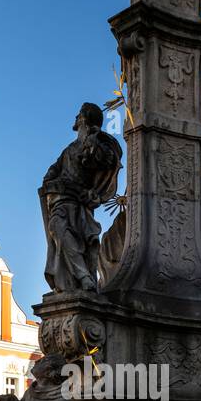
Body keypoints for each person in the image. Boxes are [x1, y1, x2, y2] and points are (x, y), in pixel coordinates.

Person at [39, 104, 122, 293]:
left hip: (79, 201)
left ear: (84, 118)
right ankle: (82, 277)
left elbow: (108, 160)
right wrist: (52, 183)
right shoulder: (69, 149)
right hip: (60, 199)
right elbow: (51, 173)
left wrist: (94, 144)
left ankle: (84, 277)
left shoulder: (96, 142)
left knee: (77, 239)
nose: (75, 118)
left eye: (78, 115)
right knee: (57, 228)